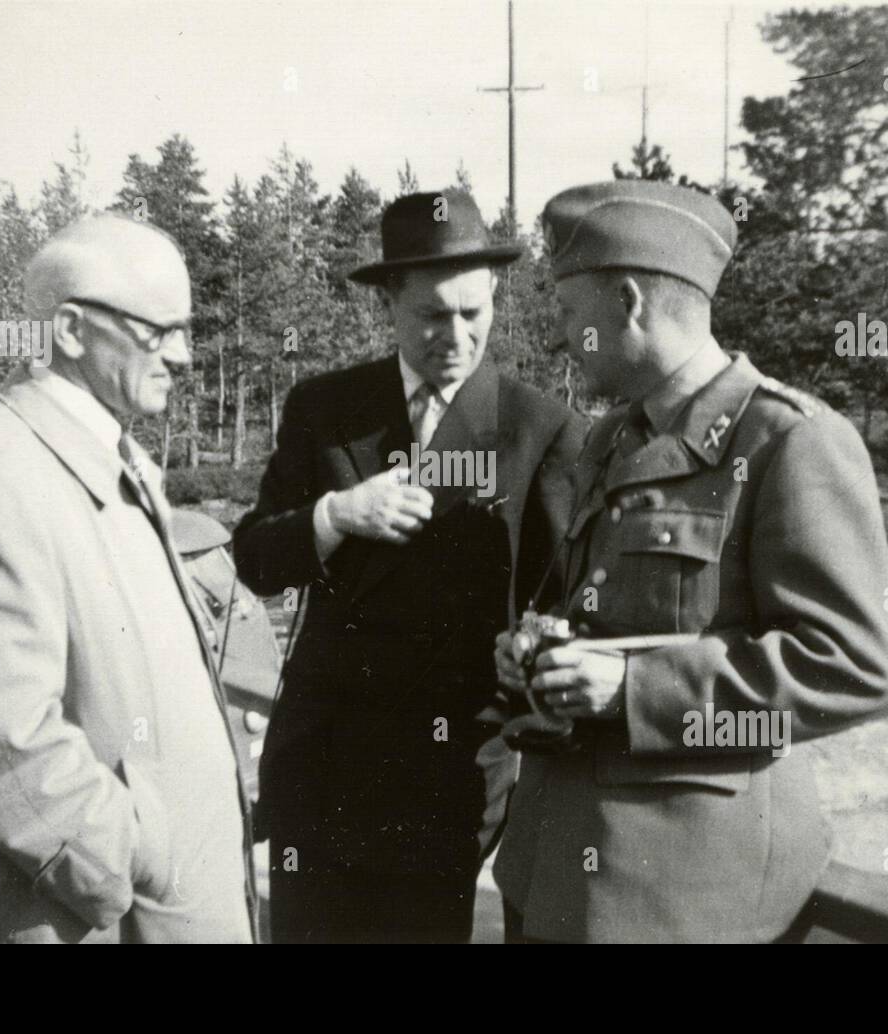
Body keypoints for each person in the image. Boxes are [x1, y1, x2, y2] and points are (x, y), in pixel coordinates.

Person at [493, 180, 888, 943]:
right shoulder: (608, 439)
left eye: (565, 313)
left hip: (681, 900)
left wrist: (632, 689)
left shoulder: (788, 441)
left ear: (627, 302)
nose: (556, 338)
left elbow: (858, 666)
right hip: (551, 872)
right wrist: (541, 651)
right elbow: (608, 612)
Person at [233, 190, 586, 943]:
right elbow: (256, 558)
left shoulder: (539, 431)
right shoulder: (326, 409)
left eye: (472, 313)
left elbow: (561, 602)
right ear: (388, 302)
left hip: (447, 775)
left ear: (493, 296)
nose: (454, 337)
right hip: (324, 763)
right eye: (431, 316)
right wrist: (334, 516)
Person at [0, 214, 254, 943]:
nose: (187, 356)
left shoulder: (105, 455)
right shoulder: (1, 479)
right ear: (70, 331)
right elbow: (4, 746)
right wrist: (144, 859)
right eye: (161, 331)